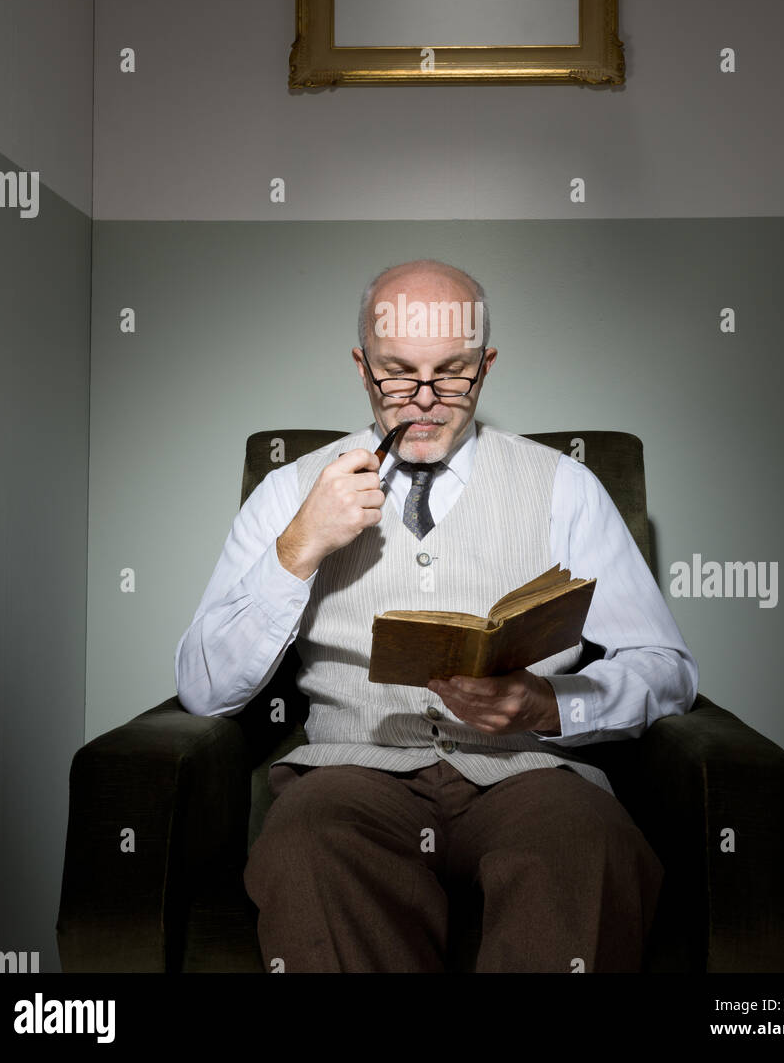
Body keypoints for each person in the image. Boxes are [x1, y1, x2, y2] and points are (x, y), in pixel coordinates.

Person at [174, 259, 699, 973]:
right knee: (305, 845)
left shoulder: (566, 488)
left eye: (451, 373)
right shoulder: (286, 492)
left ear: (486, 366)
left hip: (528, 775)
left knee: (590, 846)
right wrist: (298, 549)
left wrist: (550, 704)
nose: (423, 400)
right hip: (348, 776)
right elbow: (206, 689)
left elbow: (665, 670)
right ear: (361, 367)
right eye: (397, 373)